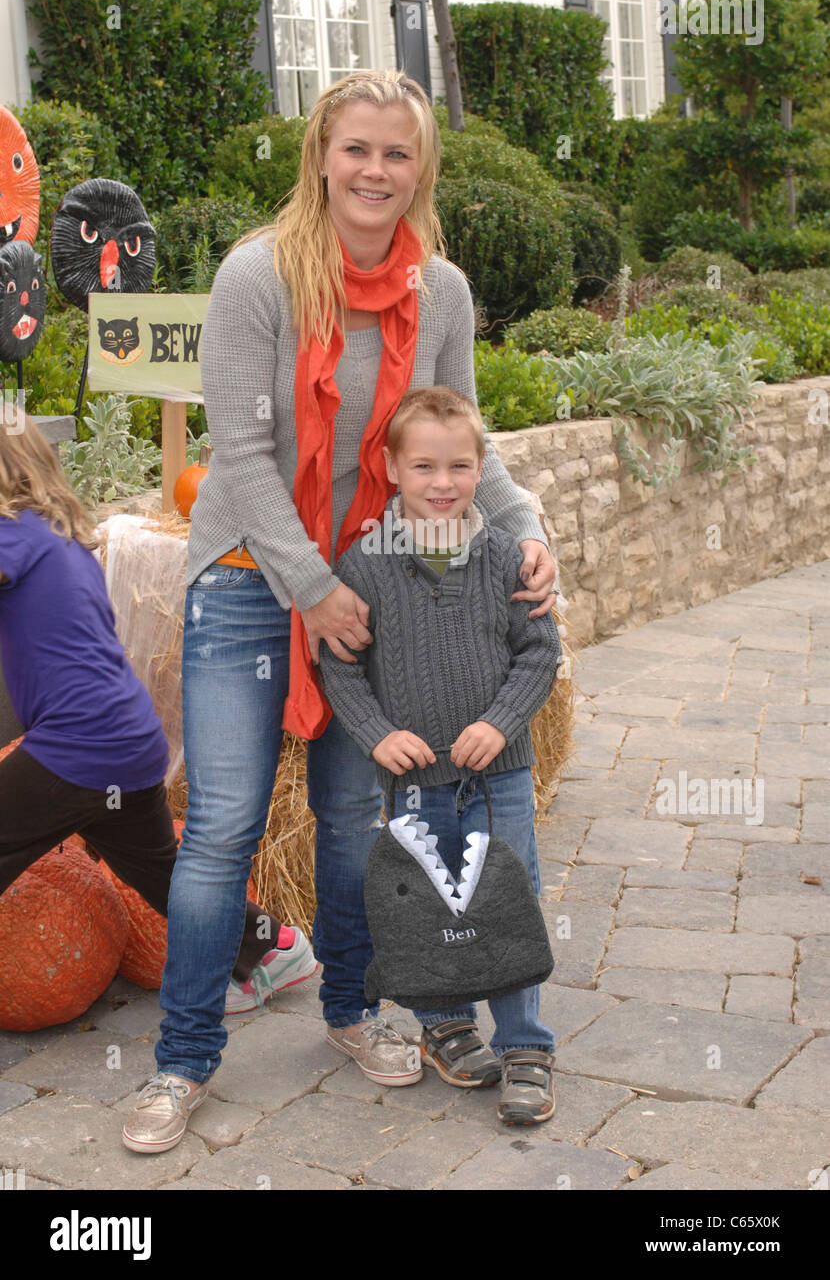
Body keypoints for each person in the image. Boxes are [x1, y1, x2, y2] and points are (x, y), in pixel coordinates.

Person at [127, 68, 559, 1153]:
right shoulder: (257, 278)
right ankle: (180, 1063)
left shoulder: (441, 291)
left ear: (420, 169)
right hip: (246, 573)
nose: (374, 170)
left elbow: (461, 438)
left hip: (376, 582)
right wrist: (307, 590)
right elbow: (241, 455)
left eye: (396, 153)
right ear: (321, 154)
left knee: (351, 817)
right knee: (224, 824)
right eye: (355, 148)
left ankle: (351, 1011)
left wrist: (530, 526)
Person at [0, 416, 315, 1135]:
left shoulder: (12, 534)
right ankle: (274, 947)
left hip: (77, 747)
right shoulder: (65, 539)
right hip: (126, 742)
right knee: (168, 880)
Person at [316, 384, 559, 1125]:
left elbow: (539, 654)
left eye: (459, 466)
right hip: (415, 781)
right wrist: (377, 735)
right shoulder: (365, 566)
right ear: (392, 468)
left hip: (498, 774)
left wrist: (502, 720)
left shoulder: (505, 560)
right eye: (424, 467)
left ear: (480, 467)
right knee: (428, 899)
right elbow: (341, 666)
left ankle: (525, 1044)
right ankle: (446, 1023)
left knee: (504, 897)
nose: (443, 483)